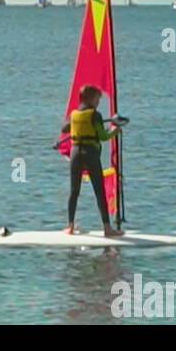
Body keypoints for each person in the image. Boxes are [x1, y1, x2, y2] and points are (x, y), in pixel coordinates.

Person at [60, 84, 124, 237]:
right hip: (90, 154)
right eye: (97, 99)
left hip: (76, 153)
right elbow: (103, 136)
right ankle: (107, 228)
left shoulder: (74, 114)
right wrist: (114, 131)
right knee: (99, 190)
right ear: (89, 99)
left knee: (74, 190)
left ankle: (70, 226)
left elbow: (64, 129)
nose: (98, 102)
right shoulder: (95, 115)